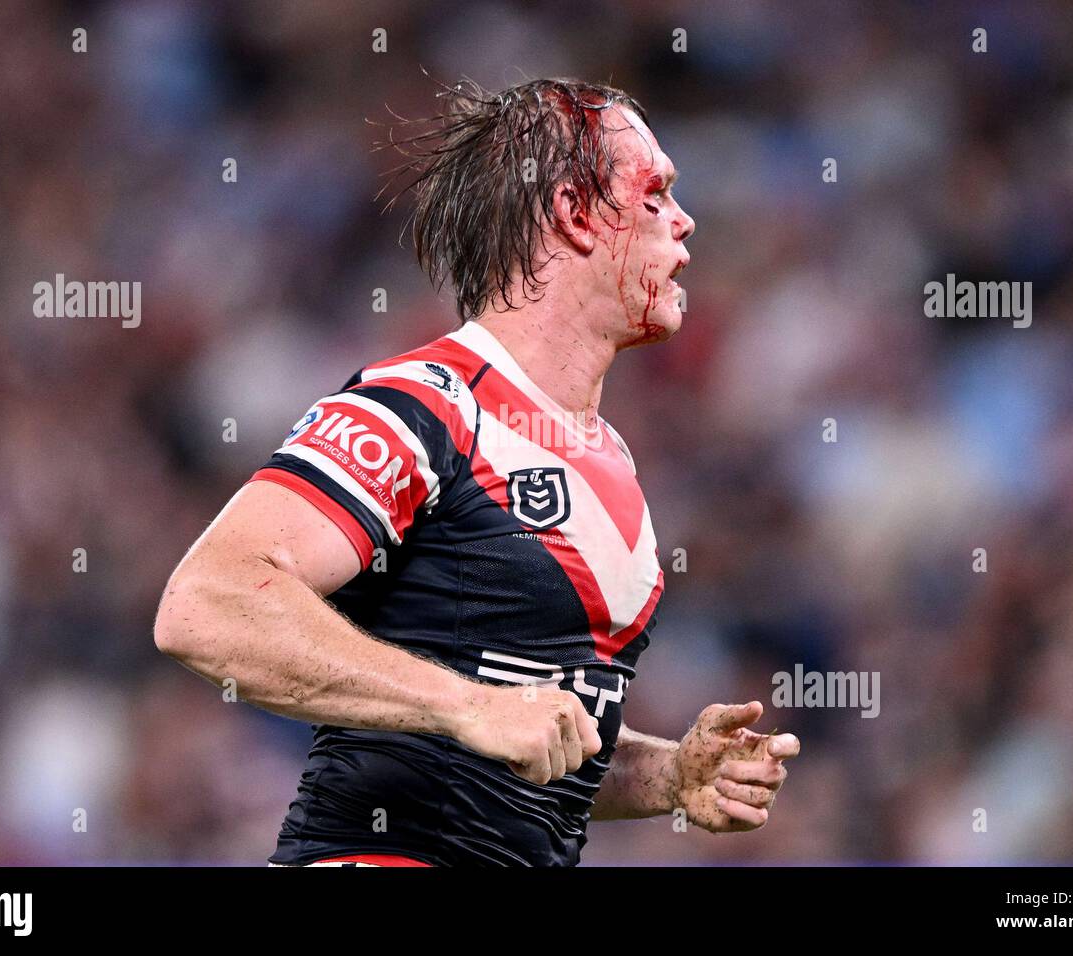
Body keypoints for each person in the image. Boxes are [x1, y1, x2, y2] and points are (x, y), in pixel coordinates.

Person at [153, 78, 800, 866]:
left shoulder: (612, 458)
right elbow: (207, 602)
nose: (683, 218)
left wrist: (668, 775)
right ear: (573, 213)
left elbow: (536, 731)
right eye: (656, 191)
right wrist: (464, 704)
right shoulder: (424, 405)